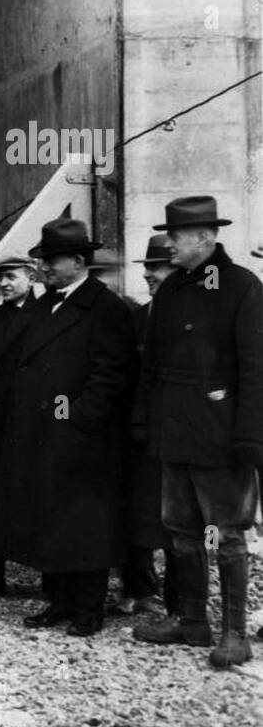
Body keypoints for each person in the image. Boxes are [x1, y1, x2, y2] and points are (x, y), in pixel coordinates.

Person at [0, 218, 137, 637]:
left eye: (51, 260)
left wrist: (75, 417)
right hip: (41, 435)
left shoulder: (105, 307)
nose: (45, 268)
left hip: (81, 439)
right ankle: (59, 600)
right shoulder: (44, 304)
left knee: (84, 527)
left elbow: (110, 376)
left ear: (77, 261)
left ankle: (89, 609)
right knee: (49, 522)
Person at [133, 197, 263, 667]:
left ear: (205, 238)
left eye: (176, 236)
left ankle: (235, 634)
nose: (169, 244)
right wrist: (145, 421)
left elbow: (255, 369)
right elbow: (152, 365)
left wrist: (250, 438)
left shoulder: (243, 287)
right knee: (181, 530)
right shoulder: (170, 292)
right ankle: (191, 621)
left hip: (221, 435)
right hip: (175, 432)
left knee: (227, 535)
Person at [113, 234, 178, 618]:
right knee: (136, 514)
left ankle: (182, 600)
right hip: (137, 436)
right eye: (147, 268)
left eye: (157, 267)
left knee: (179, 523)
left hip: (178, 436)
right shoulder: (137, 319)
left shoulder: (193, 318)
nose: (149, 274)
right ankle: (138, 587)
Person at [0, 255, 38, 598]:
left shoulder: (47, 316)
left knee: (35, 498)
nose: (3, 284)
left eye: (11, 277)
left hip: (31, 425)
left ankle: (51, 578)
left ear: (31, 277)